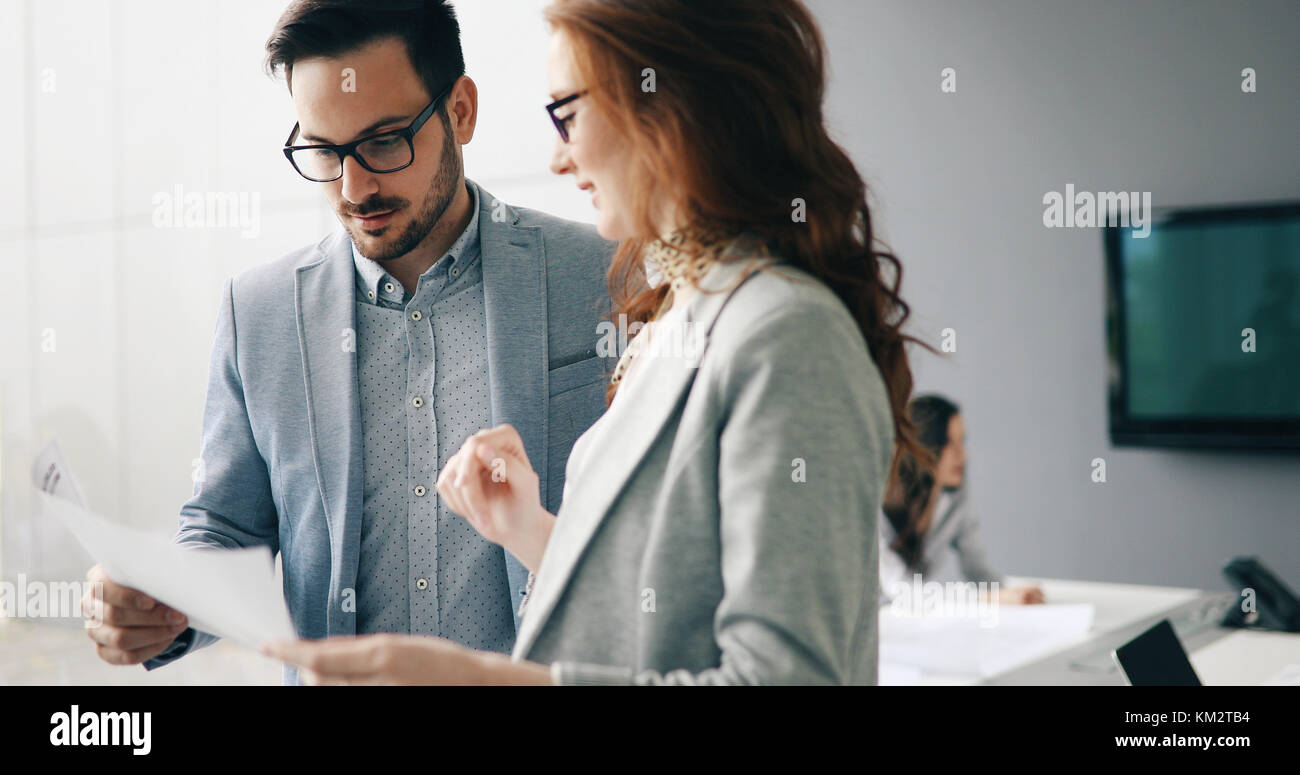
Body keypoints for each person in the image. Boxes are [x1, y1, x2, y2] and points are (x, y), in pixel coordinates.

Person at [263, 0, 932, 686]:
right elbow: (669, 615)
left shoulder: (787, 333)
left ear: (667, 105)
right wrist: (529, 529)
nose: (558, 156)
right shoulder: (681, 315)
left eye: (568, 114)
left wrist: (485, 681)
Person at [81, 0, 614, 685]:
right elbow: (227, 525)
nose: (354, 187)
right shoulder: (261, 313)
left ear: (461, 111)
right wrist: (160, 600)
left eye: (385, 141)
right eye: (324, 151)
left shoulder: (599, 278)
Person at [879, 394, 1045, 604]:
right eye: (949, 443)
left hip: (911, 619)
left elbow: (978, 571)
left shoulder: (956, 498)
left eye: (962, 442)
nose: (961, 455)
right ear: (922, 446)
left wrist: (1013, 593)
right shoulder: (878, 504)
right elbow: (902, 590)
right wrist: (989, 598)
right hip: (872, 622)